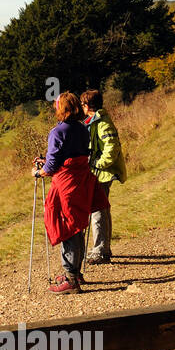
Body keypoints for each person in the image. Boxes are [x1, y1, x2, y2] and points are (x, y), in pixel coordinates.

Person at [32, 91, 109, 293]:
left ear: (61, 108)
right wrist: (47, 162)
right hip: (82, 180)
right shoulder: (83, 128)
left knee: (68, 227)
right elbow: (73, 155)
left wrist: (39, 171)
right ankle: (75, 273)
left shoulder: (57, 132)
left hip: (66, 184)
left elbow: (51, 166)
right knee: (78, 225)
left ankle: (71, 278)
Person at [80, 88, 126, 265]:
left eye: (82, 104)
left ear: (87, 105)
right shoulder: (95, 120)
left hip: (103, 174)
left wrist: (98, 164)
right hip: (101, 173)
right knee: (103, 210)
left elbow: (112, 147)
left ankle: (99, 250)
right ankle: (103, 249)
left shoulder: (102, 122)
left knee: (97, 211)